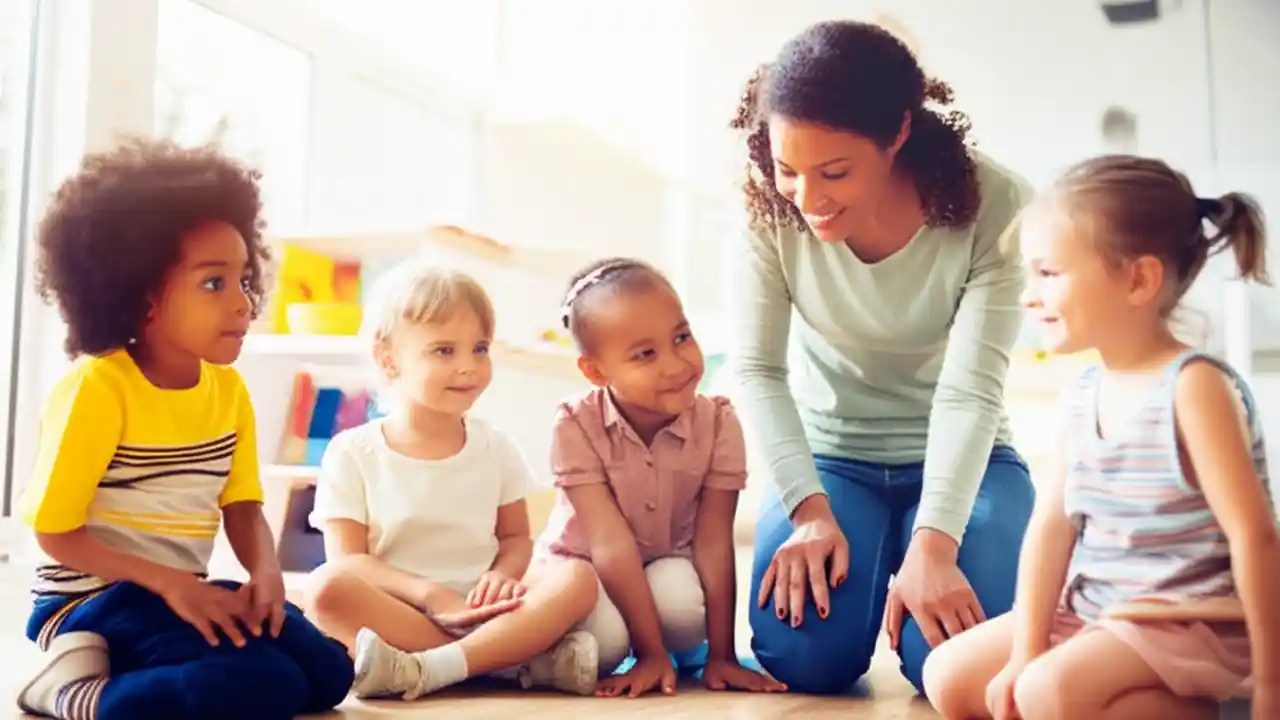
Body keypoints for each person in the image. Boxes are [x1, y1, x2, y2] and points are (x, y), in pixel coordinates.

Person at [729, 20, 1036, 694]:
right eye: (788, 169)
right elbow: (756, 369)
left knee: (951, 667)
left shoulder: (997, 203)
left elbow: (971, 390)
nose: (806, 198)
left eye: (834, 171)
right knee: (804, 660)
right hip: (831, 460)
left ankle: (910, 545)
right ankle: (867, 544)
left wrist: (934, 541)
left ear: (898, 134)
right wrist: (809, 509)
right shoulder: (766, 207)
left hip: (967, 462)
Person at [922, 155, 1279, 720]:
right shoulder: (1084, 390)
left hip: (1187, 623)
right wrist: (1025, 651)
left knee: (1045, 695)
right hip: (1098, 609)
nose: (1028, 295)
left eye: (1049, 273)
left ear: (1139, 279)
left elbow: (1254, 536)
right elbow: (1051, 528)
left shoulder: (1194, 387)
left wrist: (1272, 682)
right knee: (949, 677)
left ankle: (1218, 701)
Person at [16, 139, 353, 720]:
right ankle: (69, 688)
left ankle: (152, 659)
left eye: (244, 281)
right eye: (213, 283)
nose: (244, 304)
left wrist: (266, 574)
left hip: (174, 592)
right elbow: (55, 533)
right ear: (141, 293)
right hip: (88, 601)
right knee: (262, 686)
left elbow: (243, 507)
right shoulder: (97, 388)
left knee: (327, 674)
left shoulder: (227, 392)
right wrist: (173, 585)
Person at [304, 259, 601, 700]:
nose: (469, 366)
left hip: (489, 610)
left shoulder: (495, 446)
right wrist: (429, 594)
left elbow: (517, 537)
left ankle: (431, 667)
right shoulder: (351, 452)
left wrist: (503, 575)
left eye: (479, 348)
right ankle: (511, 665)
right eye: (444, 351)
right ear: (389, 360)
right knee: (326, 588)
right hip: (403, 610)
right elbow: (348, 561)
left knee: (576, 576)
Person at [533, 258, 786, 698]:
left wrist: (721, 656)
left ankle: (679, 652)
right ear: (596, 372)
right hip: (584, 568)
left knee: (686, 612)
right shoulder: (574, 424)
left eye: (681, 337)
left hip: (666, 561)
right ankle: (546, 657)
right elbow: (608, 543)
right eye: (645, 354)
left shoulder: (719, 421)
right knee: (606, 643)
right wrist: (648, 653)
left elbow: (712, 540)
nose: (677, 364)